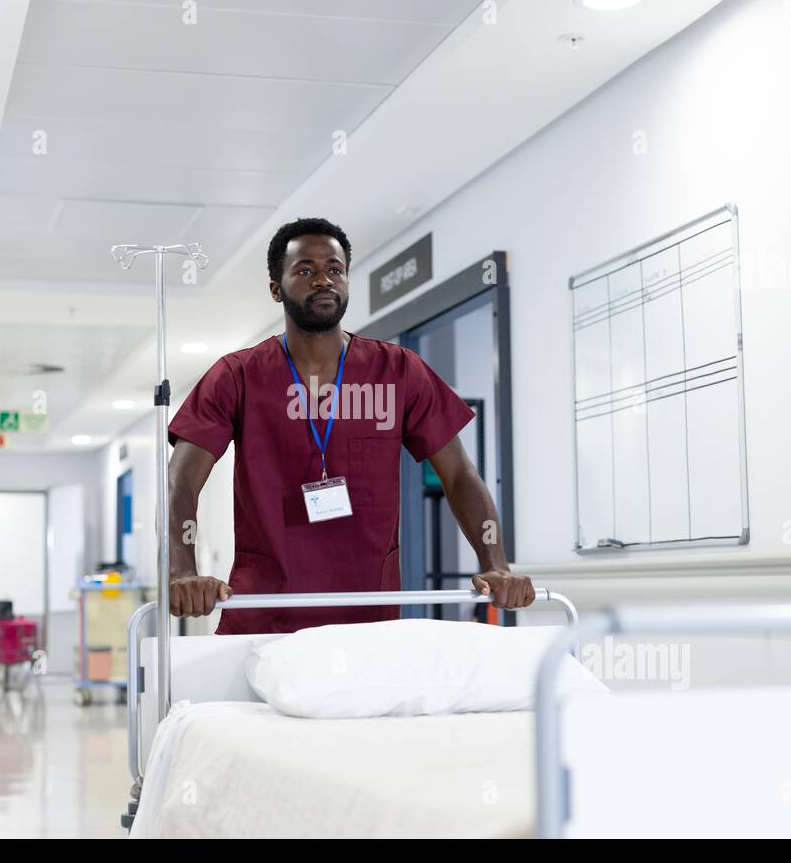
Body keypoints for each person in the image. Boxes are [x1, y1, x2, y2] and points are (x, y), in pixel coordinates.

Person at [166, 216, 535, 633]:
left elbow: (460, 475)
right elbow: (182, 479)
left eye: (335, 269)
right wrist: (182, 569)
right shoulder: (237, 376)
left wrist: (496, 563)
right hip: (264, 613)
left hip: (367, 612)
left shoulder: (398, 371)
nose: (324, 280)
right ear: (276, 289)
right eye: (305, 270)